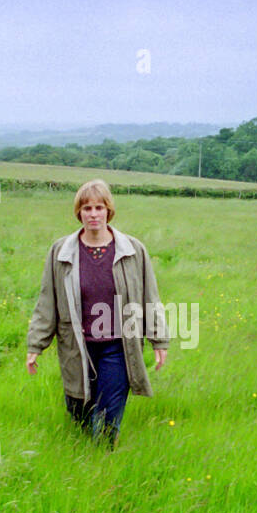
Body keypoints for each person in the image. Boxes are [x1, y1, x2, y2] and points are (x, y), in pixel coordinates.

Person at [26, 179, 169, 447]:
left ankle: (103, 461)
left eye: (99, 208)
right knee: (79, 412)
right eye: (87, 208)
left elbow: (151, 296)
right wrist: (36, 344)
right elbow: (47, 301)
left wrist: (158, 339)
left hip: (118, 346)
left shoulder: (133, 250)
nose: (93, 214)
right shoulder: (61, 251)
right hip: (77, 345)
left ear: (109, 211)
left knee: (106, 418)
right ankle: (82, 458)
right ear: (79, 212)